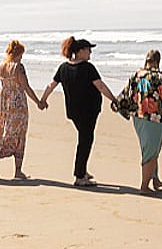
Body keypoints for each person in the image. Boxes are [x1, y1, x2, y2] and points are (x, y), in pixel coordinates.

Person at [40, 36, 118, 187]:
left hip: (74, 111)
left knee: (84, 138)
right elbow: (100, 86)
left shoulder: (64, 67)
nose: (90, 53)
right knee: (85, 140)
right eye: (89, 50)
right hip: (88, 111)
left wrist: (43, 100)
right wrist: (113, 99)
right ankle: (79, 176)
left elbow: (51, 85)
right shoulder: (88, 68)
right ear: (80, 51)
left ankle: (82, 170)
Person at [0, 39, 47, 180]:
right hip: (18, 105)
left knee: (4, 131)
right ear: (18, 53)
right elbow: (26, 87)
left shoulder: (0, 67)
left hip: (5, 105)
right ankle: (18, 171)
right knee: (18, 135)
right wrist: (38, 102)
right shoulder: (18, 67)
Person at [116, 50, 162, 195]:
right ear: (158, 60)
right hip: (155, 118)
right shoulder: (160, 77)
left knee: (149, 148)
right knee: (151, 152)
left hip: (139, 117)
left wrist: (120, 107)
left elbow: (127, 94)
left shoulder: (137, 75)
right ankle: (144, 186)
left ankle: (155, 179)